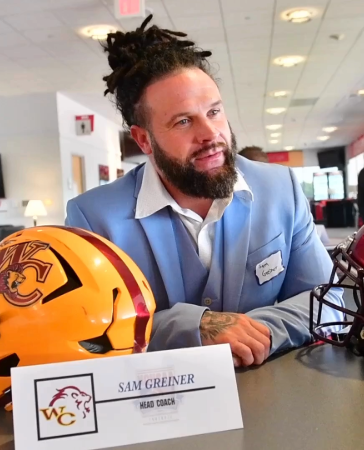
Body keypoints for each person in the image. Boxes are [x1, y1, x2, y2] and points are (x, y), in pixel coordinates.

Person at [64, 16, 344, 367]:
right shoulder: (95, 219)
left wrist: (258, 331)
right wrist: (193, 327)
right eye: (183, 121)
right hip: (160, 407)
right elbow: (86, 331)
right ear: (144, 140)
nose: (211, 134)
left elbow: (326, 300)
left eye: (214, 111)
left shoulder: (280, 190)